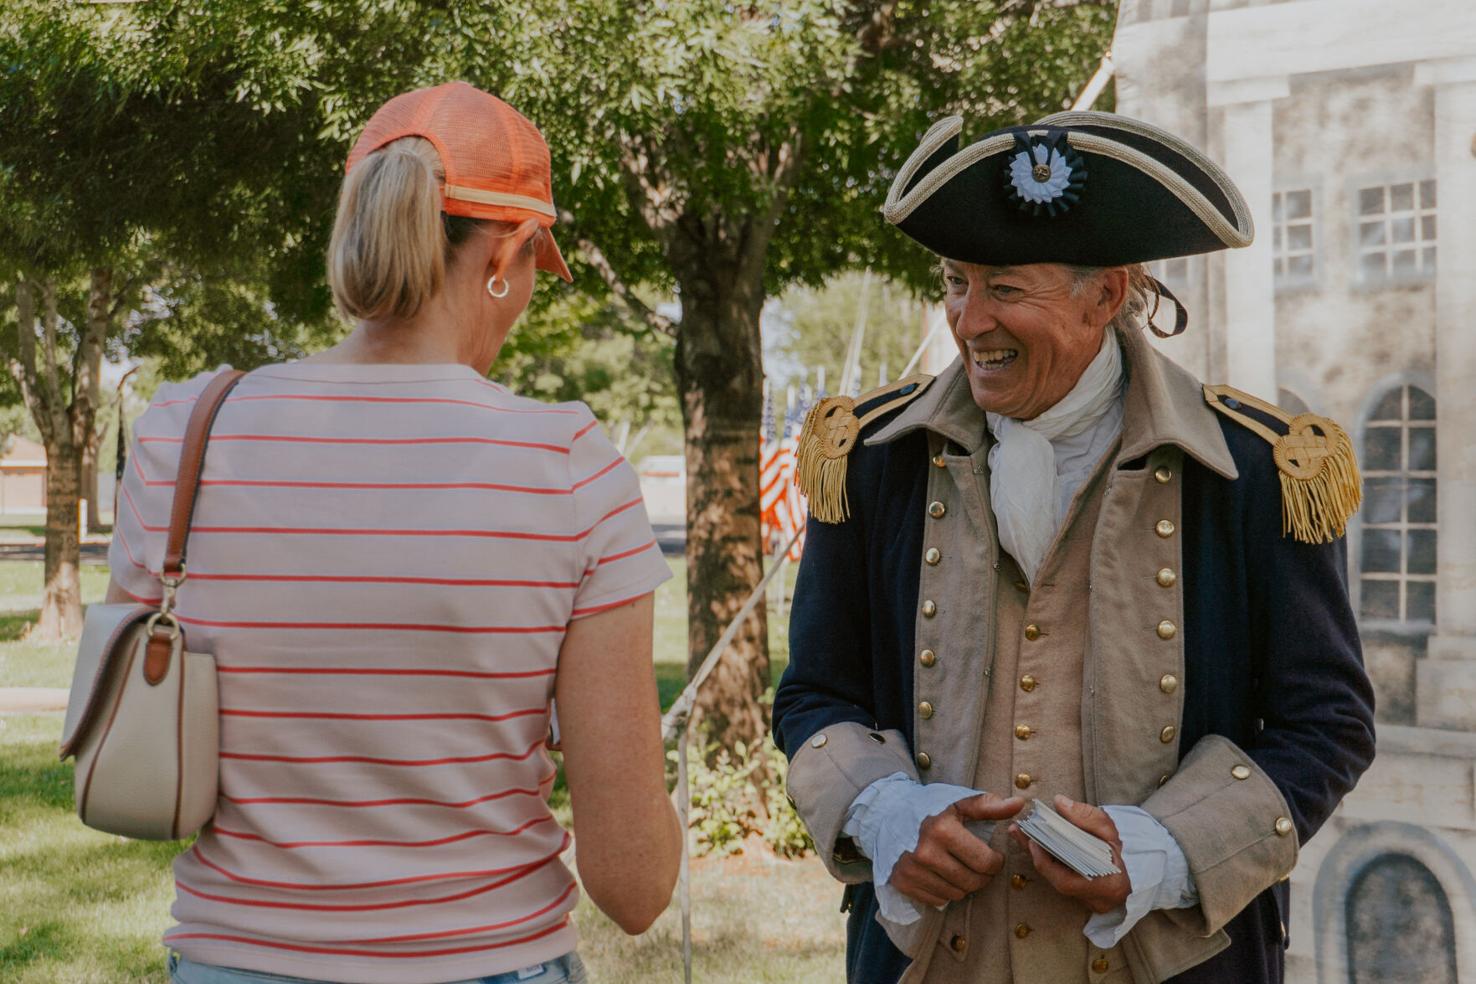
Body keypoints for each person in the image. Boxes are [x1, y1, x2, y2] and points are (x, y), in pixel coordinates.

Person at [773, 110, 1376, 984]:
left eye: (1006, 289)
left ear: (1106, 295)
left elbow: (1326, 725)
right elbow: (815, 694)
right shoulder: (872, 460)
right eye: (954, 281)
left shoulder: (1258, 470)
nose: (967, 320)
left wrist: (1169, 849)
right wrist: (882, 811)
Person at [105, 81, 681, 984]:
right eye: (536, 267)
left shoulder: (185, 432)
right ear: (508, 253)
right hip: (489, 961)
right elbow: (636, 886)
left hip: (235, 963)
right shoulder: (569, 463)